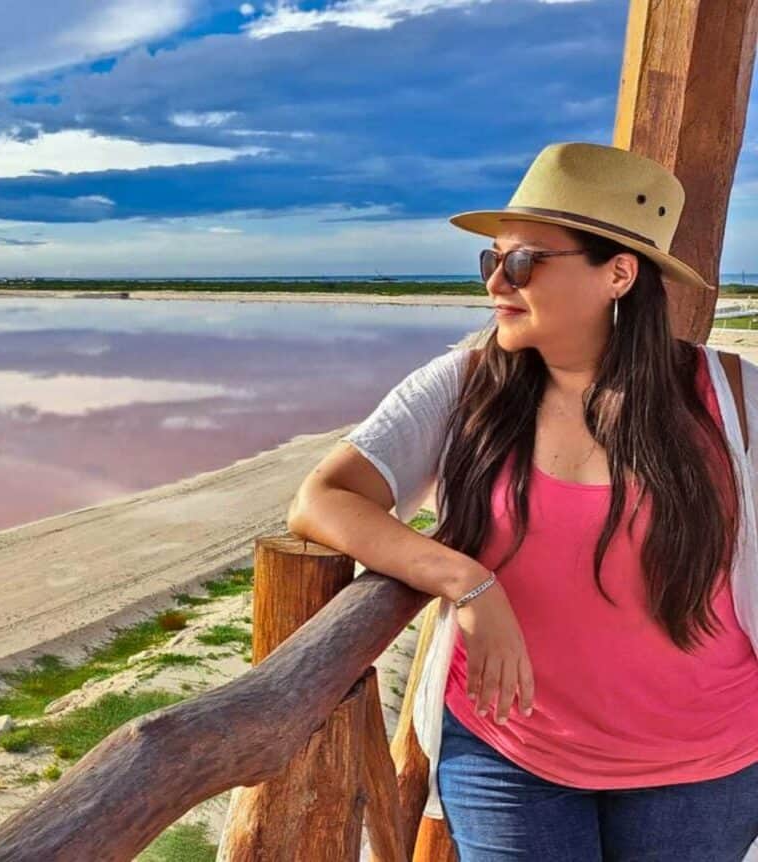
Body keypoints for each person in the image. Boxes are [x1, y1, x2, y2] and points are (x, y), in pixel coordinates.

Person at [285, 141, 758, 861]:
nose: (495, 282)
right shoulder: (464, 387)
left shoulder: (735, 398)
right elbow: (323, 497)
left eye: (525, 262)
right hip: (509, 753)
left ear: (619, 274)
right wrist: (466, 581)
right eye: (492, 260)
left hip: (704, 764)